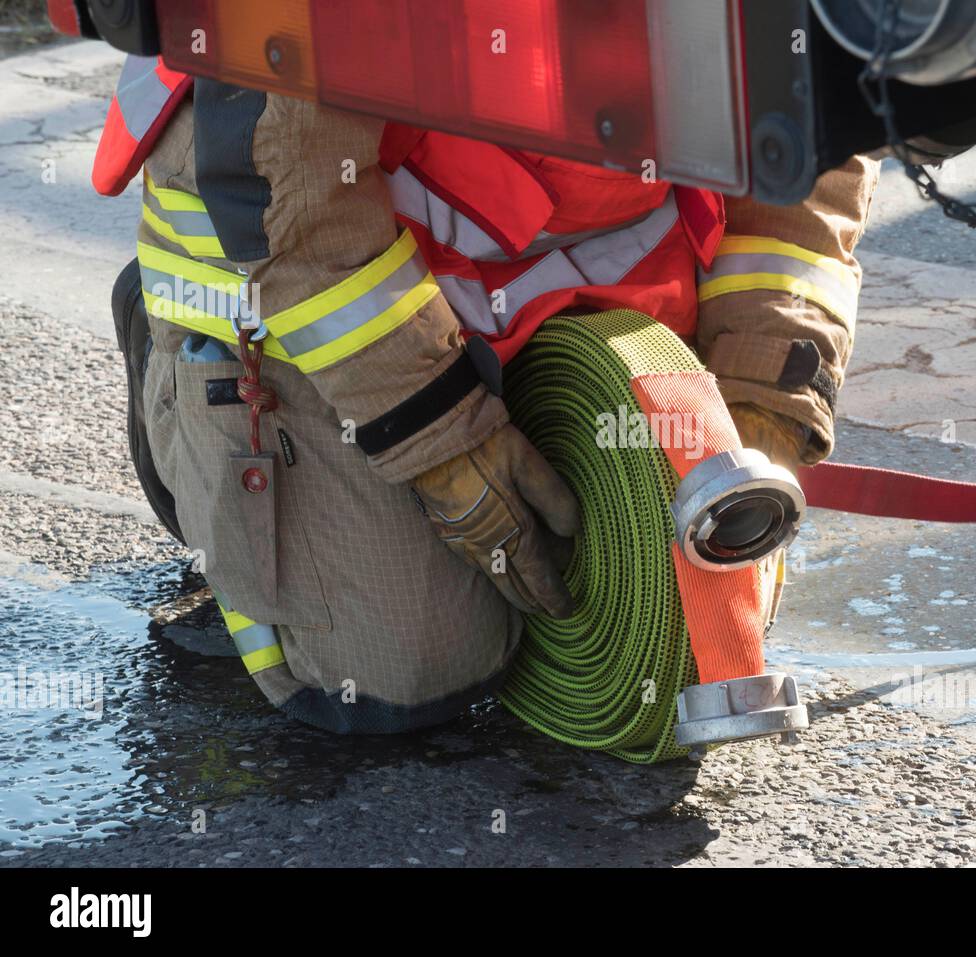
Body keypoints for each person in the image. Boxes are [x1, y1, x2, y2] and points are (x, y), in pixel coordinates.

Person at [97, 55, 878, 733]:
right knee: (402, 667)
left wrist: (760, 403)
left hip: (570, 293)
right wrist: (437, 434)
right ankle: (184, 388)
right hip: (308, 266)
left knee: (680, 637)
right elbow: (284, 187)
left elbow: (805, 152)